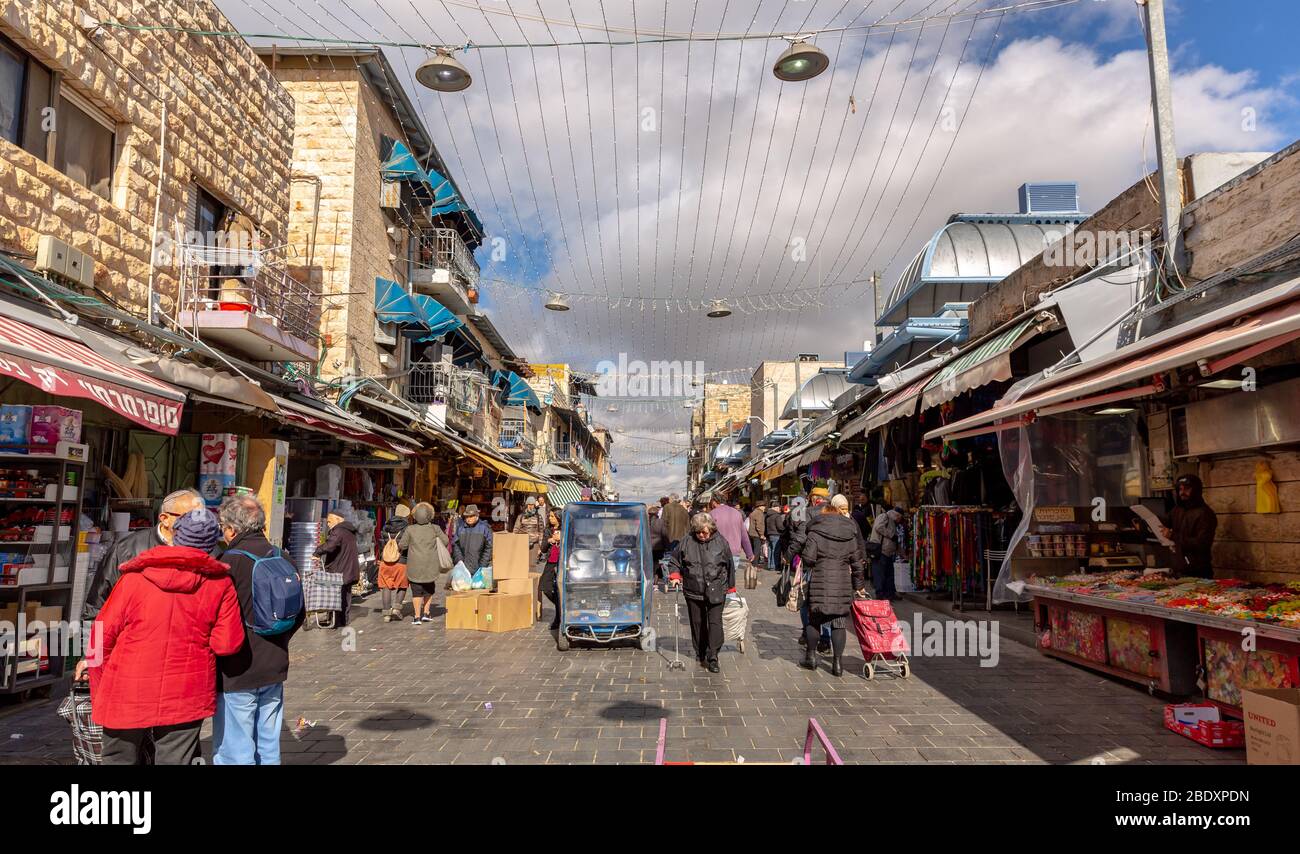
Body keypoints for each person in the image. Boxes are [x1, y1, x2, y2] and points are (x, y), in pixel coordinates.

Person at [89, 508, 243, 764]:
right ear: (210, 545)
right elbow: (227, 644)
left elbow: (99, 637)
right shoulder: (219, 583)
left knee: (118, 759)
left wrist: (99, 687)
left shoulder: (134, 578)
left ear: (176, 536)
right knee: (176, 758)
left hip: (127, 686)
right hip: (187, 688)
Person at [213, 494, 304, 765]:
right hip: (274, 663)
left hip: (237, 667)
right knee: (268, 741)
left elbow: (217, 617)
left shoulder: (229, 562)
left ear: (231, 529)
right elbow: (298, 613)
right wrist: (277, 638)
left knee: (236, 746)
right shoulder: (283, 557)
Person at [799, 495, 868, 677]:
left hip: (820, 581)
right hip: (842, 583)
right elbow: (857, 563)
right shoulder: (848, 533)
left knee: (815, 620)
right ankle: (837, 664)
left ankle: (811, 657)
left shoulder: (815, 532)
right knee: (838, 623)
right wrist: (858, 585)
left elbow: (808, 558)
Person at [663, 512, 734, 673]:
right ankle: (701, 652)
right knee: (697, 623)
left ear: (711, 530)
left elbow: (729, 564)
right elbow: (674, 561)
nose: (701, 535)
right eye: (698, 532)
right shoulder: (686, 541)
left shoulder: (721, 542)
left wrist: (731, 587)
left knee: (715, 622)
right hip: (693, 589)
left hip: (716, 588)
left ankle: (713, 655)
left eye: (705, 532)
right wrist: (674, 576)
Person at [790, 488, 834, 653]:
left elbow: (800, 536)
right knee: (827, 601)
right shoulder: (834, 513)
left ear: (814, 499)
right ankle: (825, 638)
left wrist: (790, 554)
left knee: (806, 600)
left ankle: (808, 633)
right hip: (831, 563)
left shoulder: (806, 512)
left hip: (810, 562)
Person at [400, 502, 450, 625]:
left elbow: (403, 545)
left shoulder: (410, 529)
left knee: (416, 591)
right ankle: (426, 613)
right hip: (431, 565)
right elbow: (446, 541)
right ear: (430, 515)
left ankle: (417, 616)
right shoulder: (435, 528)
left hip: (414, 566)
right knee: (428, 589)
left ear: (415, 516)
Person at [1160, 474, 1218, 578]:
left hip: (1198, 572)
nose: (1182, 492)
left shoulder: (1205, 514)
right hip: (1178, 570)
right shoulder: (1177, 510)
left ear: (1196, 490)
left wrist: (1173, 536)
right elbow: (1163, 522)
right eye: (1180, 489)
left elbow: (1201, 543)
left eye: (1187, 489)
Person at [314, 508, 360, 627]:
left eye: (329, 521)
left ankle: (338, 621)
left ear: (337, 520)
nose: (328, 524)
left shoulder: (339, 531)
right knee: (346, 595)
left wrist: (317, 552)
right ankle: (342, 620)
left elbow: (330, 546)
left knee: (337, 596)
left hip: (340, 569)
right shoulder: (348, 530)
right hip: (348, 568)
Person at [708, 495, 753, 585]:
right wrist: (749, 553)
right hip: (734, 551)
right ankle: (730, 596)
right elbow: (744, 535)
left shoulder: (712, 514)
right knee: (730, 578)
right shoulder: (737, 513)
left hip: (716, 551)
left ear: (714, 502)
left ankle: (719, 597)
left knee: (717, 578)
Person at [378, 504, 411, 621]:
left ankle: (386, 613)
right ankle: (397, 608)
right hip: (401, 561)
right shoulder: (407, 528)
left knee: (386, 586)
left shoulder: (386, 526)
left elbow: (381, 543)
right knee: (402, 585)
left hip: (385, 561)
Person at [869, 506, 905, 600]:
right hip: (880, 551)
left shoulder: (893, 522)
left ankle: (890, 593)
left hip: (888, 552)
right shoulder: (884, 516)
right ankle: (880, 593)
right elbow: (878, 527)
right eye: (899, 518)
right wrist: (891, 535)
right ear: (897, 515)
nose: (899, 520)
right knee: (879, 574)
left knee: (889, 574)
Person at [453, 503, 494, 572]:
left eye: (471, 516)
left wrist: (482, 565)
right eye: (467, 516)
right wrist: (459, 560)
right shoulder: (460, 528)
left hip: (480, 568)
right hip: (463, 567)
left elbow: (489, 548)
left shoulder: (484, 528)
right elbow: (456, 545)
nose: (468, 519)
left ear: (477, 516)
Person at [540, 508, 563, 629]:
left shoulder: (565, 528)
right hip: (551, 562)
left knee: (560, 590)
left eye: (553, 516)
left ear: (559, 517)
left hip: (562, 563)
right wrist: (549, 541)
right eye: (550, 516)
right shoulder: (548, 530)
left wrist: (561, 538)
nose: (550, 518)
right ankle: (562, 606)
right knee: (545, 587)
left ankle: (558, 618)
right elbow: (543, 548)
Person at [512, 496, 547, 564]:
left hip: (534, 545)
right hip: (522, 543)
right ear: (526, 505)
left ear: (534, 505)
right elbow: (515, 530)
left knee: (532, 565)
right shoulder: (521, 516)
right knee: (521, 564)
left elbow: (541, 532)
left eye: (532, 504)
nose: (531, 506)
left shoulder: (538, 516)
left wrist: (540, 547)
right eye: (529, 504)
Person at [647, 504, 670, 591]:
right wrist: (667, 546)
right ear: (657, 514)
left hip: (648, 548)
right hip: (659, 547)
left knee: (650, 565)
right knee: (660, 565)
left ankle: (650, 583)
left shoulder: (645, 522)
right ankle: (656, 584)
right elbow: (664, 535)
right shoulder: (661, 522)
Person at [764, 501, 787, 572]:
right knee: (776, 551)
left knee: (770, 550)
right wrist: (785, 528)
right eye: (779, 508)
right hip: (776, 534)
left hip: (769, 534)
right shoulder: (777, 516)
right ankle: (775, 566)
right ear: (776, 508)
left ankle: (770, 565)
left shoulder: (767, 515)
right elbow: (780, 527)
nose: (780, 509)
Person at [747, 500, 767, 566]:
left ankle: (752, 563)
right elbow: (759, 525)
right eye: (763, 506)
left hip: (751, 533)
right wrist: (761, 534)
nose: (764, 507)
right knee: (757, 551)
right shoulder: (759, 513)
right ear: (760, 506)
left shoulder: (753, 512)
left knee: (753, 550)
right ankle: (754, 565)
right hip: (756, 534)